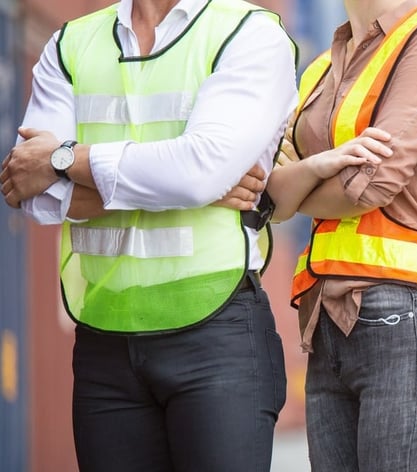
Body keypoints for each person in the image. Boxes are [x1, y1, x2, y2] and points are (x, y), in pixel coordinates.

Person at [0, 0, 297, 470]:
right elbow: (29, 191)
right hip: (104, 340)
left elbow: (199, 171)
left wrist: (63, 161)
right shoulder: (70, 44)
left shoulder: (247, 33)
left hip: (215, 336)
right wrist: (183, 184)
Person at [266, 0, 417, 470]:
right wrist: (322, 167)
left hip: (410, 316)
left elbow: (372, 185)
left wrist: (297, 181)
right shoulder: (321, 68)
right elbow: (269, 200)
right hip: (327, 322)